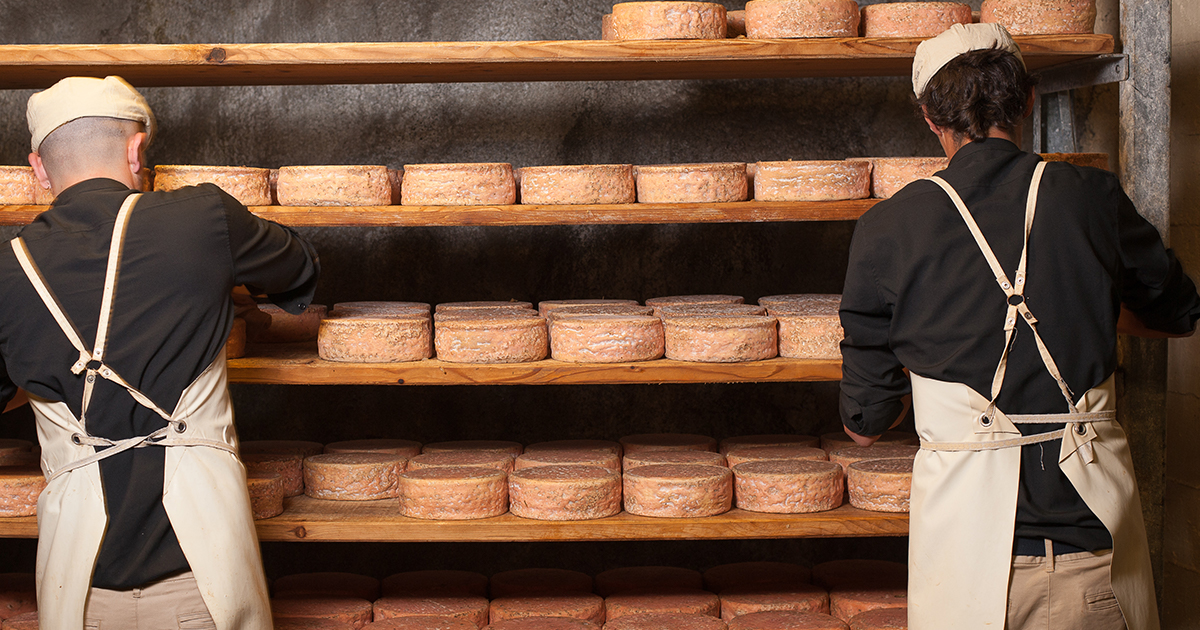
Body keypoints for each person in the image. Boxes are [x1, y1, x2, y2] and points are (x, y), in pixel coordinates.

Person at [837, 24, 1200, 630]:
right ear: (1028, 99)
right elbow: (1180, 316)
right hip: (1093, 559)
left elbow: (867, 424)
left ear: (930, 116)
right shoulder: (1092, 197)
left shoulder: (888, 228)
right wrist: (1084, 307)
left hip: (967, 572)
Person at [0, 76, 320, 629]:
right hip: (202, 586)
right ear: (136, 150)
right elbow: (299, 270)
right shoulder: (203, 219)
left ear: (39, 168)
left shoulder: (7, 268)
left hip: (76, 593)